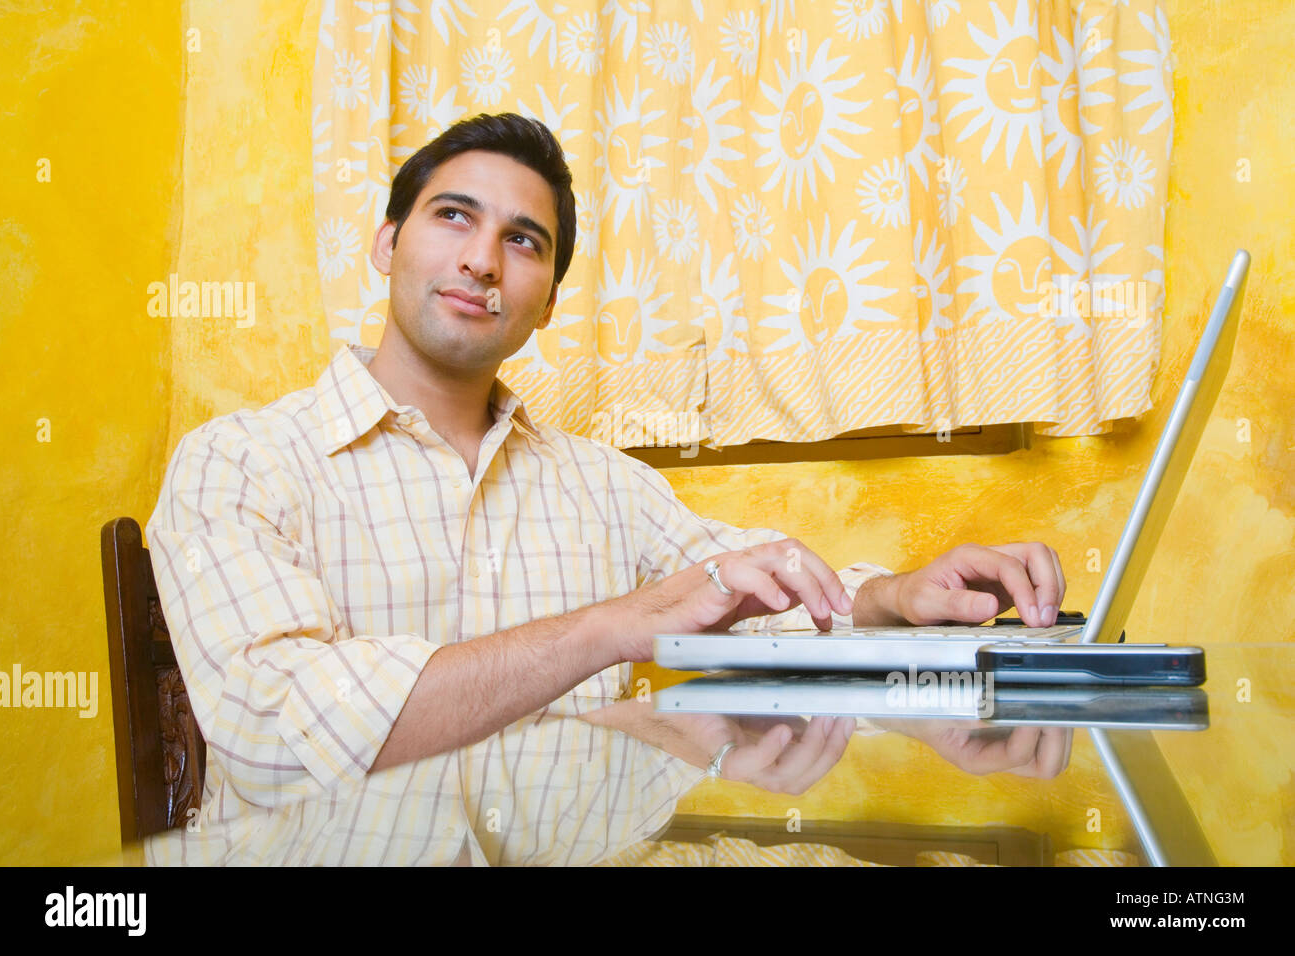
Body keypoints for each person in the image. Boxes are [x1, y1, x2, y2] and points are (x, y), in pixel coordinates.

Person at [145, 113, 1069, 866]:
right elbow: (276, 734)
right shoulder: (239, 461)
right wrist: (607, 627)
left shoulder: (604, 484)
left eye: (522, 240)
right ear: (388, 243)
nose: (480, 261)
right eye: (452, 218)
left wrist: (891, 599)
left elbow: (746, 597)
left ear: (547, 301)